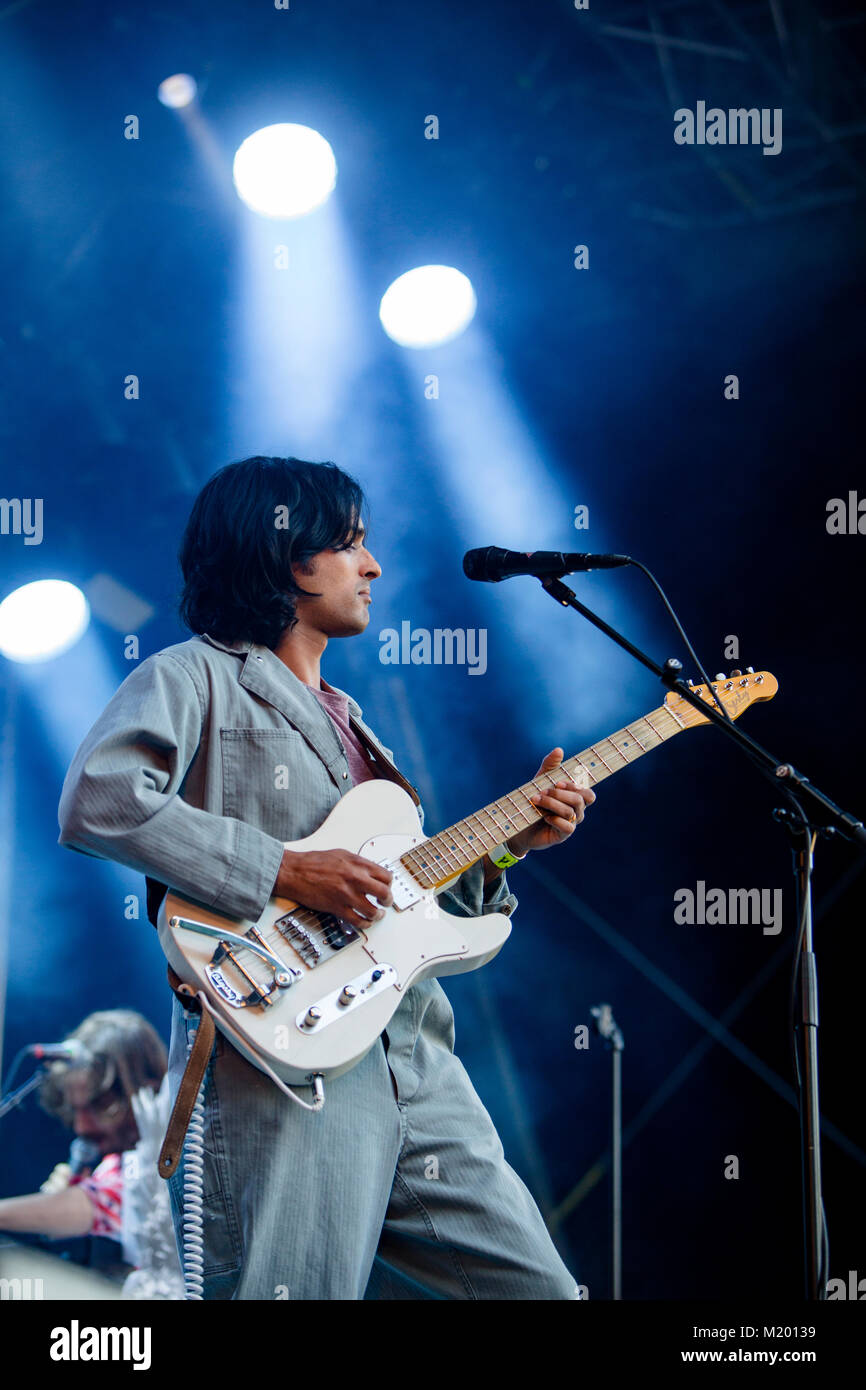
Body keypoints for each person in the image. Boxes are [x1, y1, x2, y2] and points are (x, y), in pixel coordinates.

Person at [57, 455, 597, 1300]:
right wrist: (282, 868)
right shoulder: (192, 674)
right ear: (284, 557)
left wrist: (507, 849)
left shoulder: (358, 725)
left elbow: (404, 907)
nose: (373, 566)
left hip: (414, 1057)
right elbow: (98, 799)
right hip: (281, 1056)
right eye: (349, 544)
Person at [0, 1009, 179, 1292]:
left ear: (143, 1088)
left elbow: (100, 1205)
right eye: (77, 1109)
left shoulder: (176, 1156)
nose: (82, 1126)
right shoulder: (111, 1163)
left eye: (98, 1107)